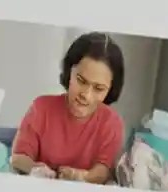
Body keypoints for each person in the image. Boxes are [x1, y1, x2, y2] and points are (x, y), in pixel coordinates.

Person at [10, 32, 126, 184]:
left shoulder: (111, 123)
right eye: (81, 80)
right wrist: (35, 169)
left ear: (110, 89)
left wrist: (80, 177)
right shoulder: (41, 108)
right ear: (69, 72)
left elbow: (102, 172)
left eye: (98, 88)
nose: (86, 95)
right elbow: (18, 158)